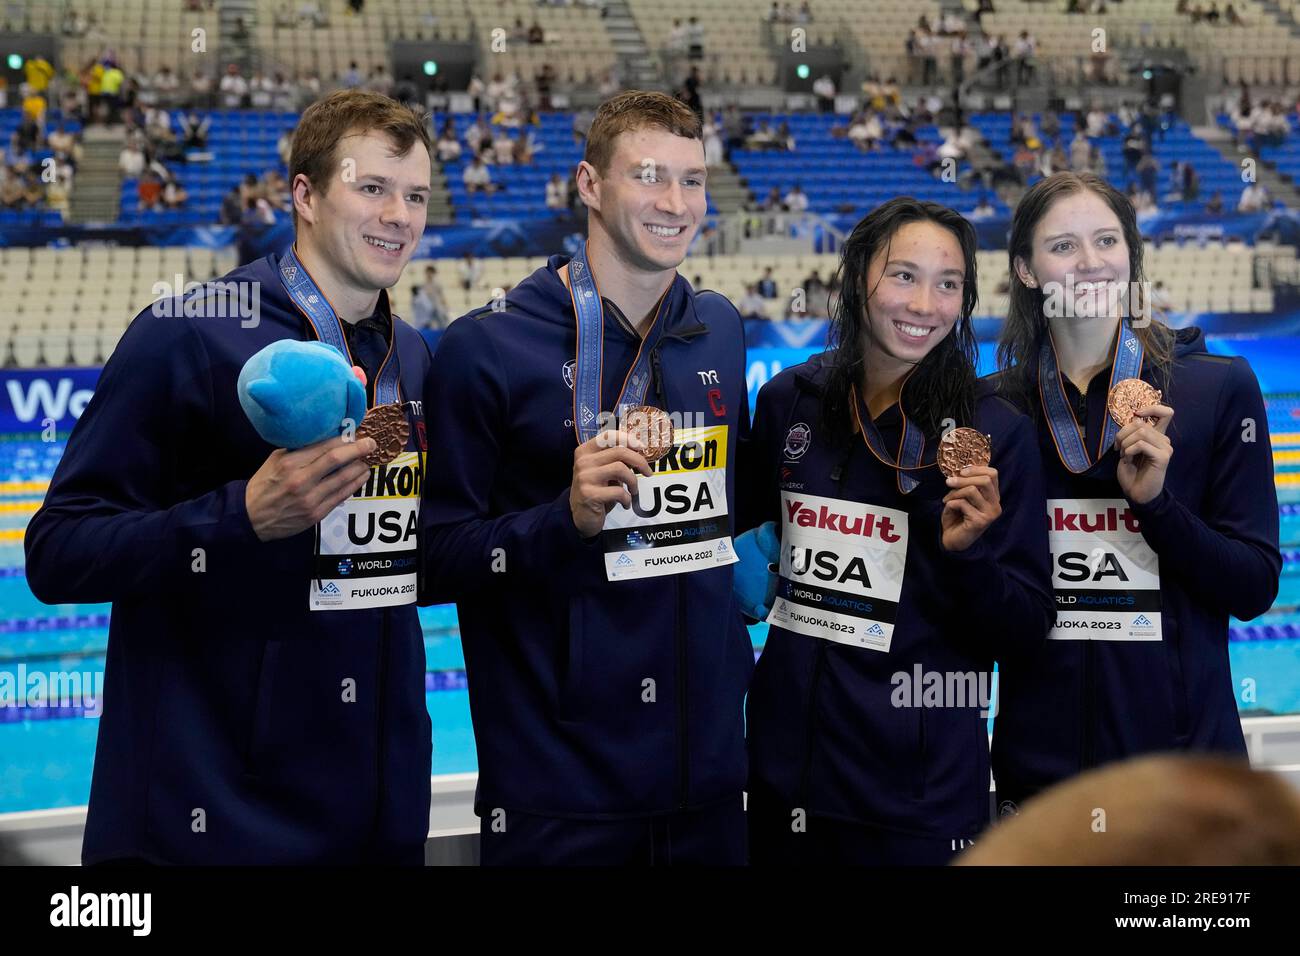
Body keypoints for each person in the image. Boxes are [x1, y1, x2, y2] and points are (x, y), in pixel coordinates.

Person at [23, 90, 436, 865]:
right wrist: (238, 517)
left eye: (414, 195)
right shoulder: (188, 333)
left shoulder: (410, 355)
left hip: (376, 810)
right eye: (372, 188)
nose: (399, 215)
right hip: (216, 821)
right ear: (305, 195)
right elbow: (57, 550)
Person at [423, 90, 752, 865]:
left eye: (693, 180)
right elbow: (431, 559)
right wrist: (559, 519)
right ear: (590, 184)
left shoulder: (721, 328)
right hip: (559, 794)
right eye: (649, 176)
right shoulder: (489, 348)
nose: (676, 203)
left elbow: (731, 518)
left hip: (708, 783)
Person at [738, 198, 1053, 865]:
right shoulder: (788, 401)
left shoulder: (995, 431)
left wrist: (968, 558)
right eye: (903, 276)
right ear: (859, 280)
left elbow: (1026, 626)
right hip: (783, 780)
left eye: (948, 284)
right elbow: (747, 562)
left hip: (919, 799)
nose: (924, 304)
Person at [992, 171, 1281, 811]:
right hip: (1042, 778)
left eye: (1106, 241)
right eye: (1063, 246)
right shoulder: (999, 411)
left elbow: (1255, 586)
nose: (1091, 263)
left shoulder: (1215, 391)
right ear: (1028, 271)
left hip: (1186, 775)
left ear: (1130, 257)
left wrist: (1157, 507)